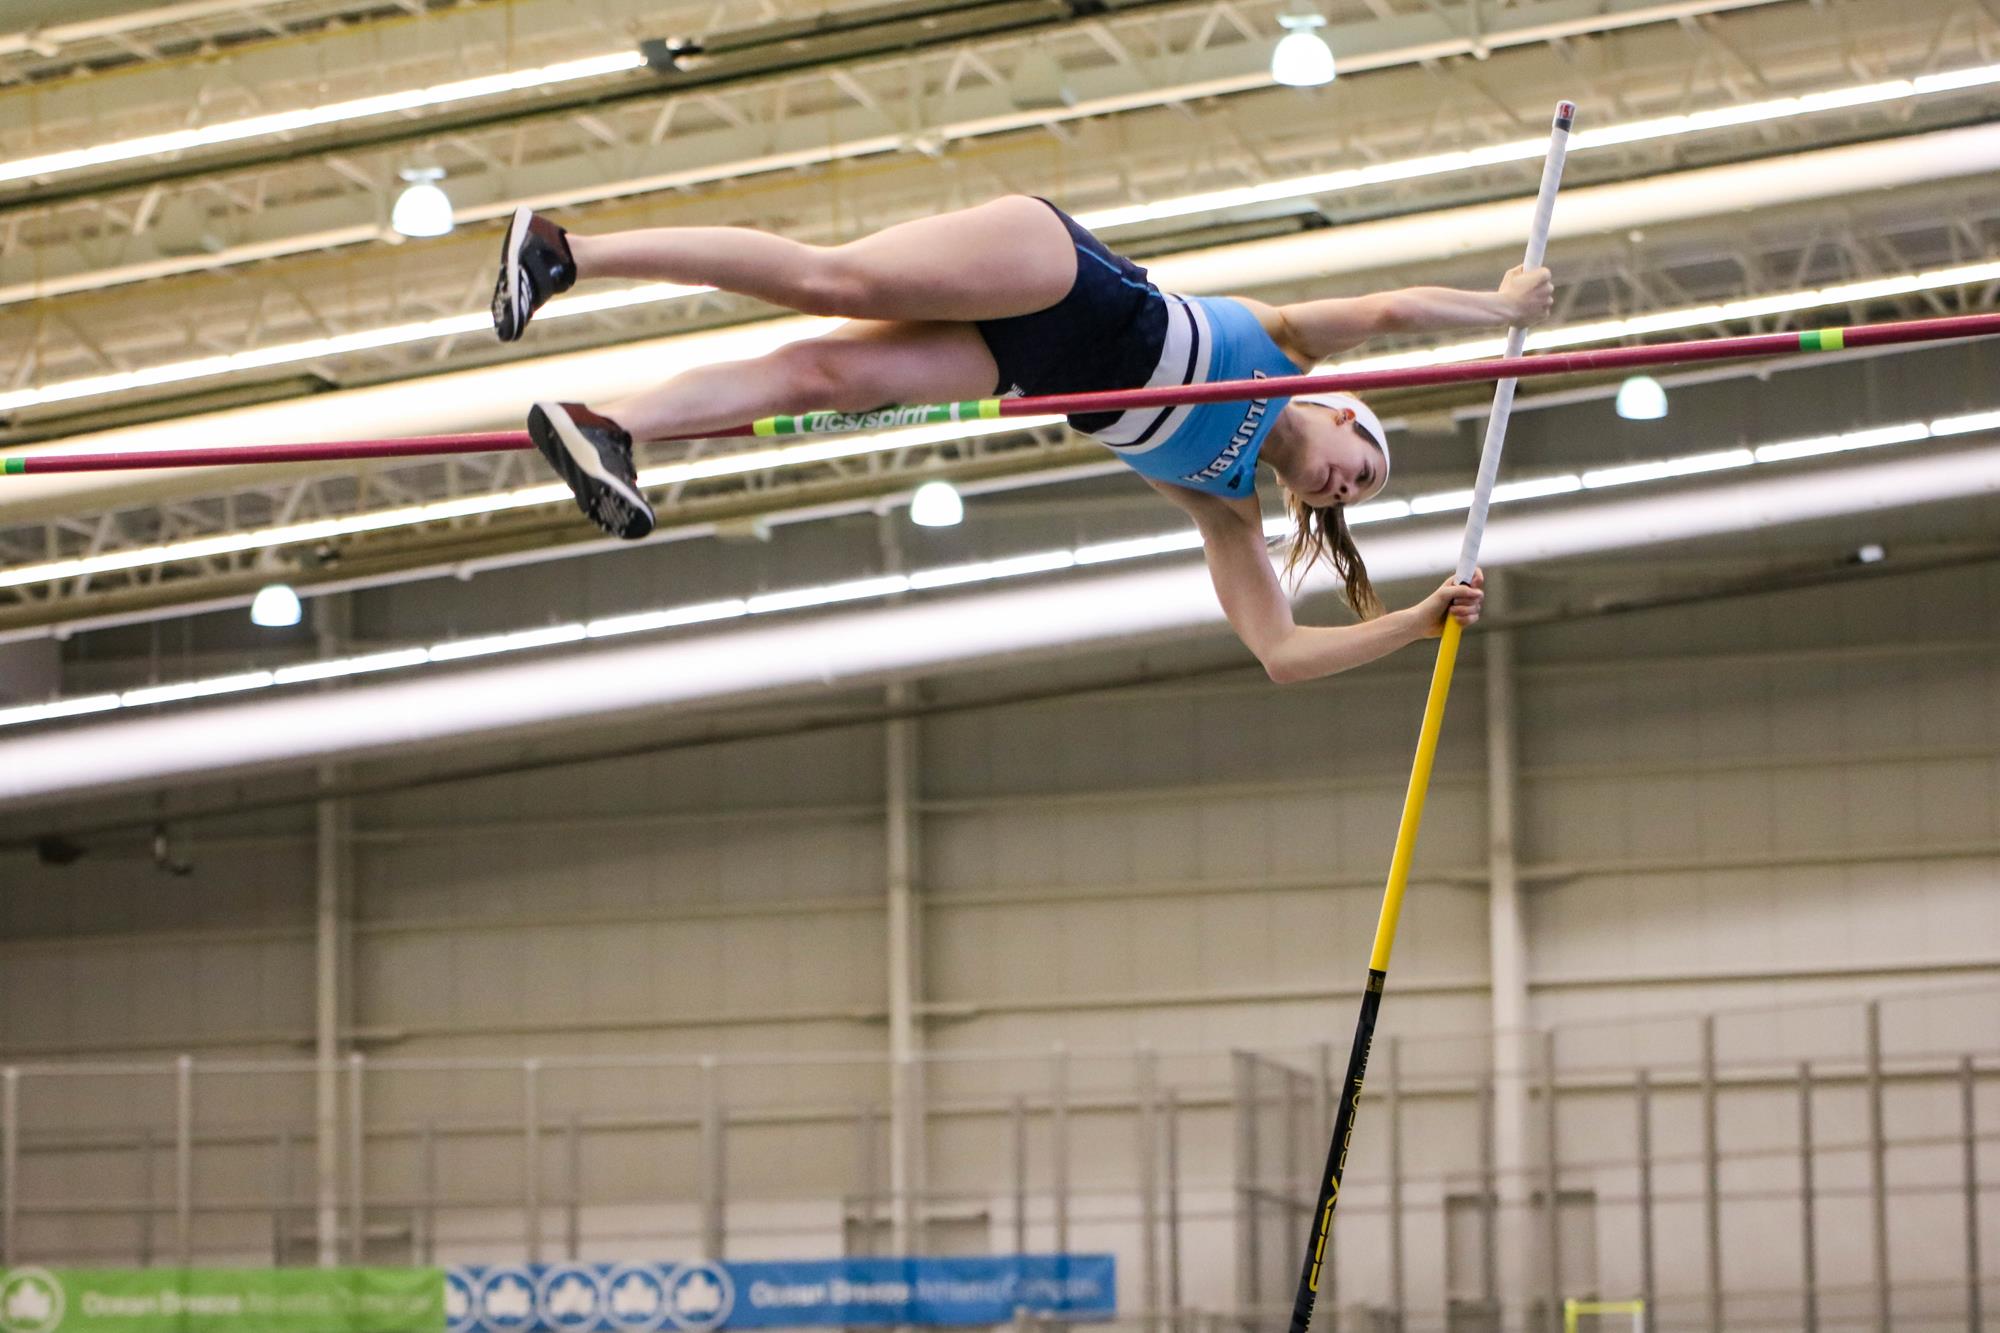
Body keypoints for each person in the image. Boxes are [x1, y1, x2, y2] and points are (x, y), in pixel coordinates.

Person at [489, 196, 1553, 683]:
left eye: (1348, 496)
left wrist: (1413, 624)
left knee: (816, 374)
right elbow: (1388, 313)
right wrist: (1499, 308)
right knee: (833, 279)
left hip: (1014, 365)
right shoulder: (1284, 352)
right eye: (1360, 461)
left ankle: (612, 427)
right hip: (1052, 271)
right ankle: (566, 249)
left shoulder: (1218, 498)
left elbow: (1278, 654)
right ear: (1339, 414)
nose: (1342, 482)